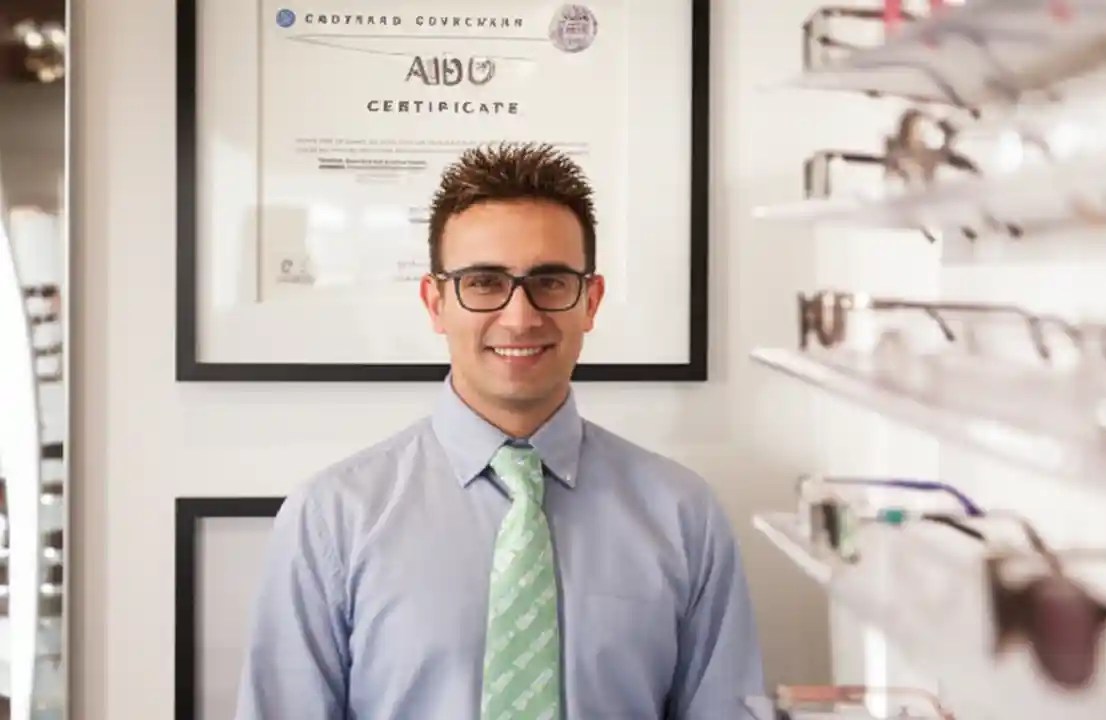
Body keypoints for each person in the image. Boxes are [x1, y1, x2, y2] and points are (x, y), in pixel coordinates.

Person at [234, 141, 766, 719]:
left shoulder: (684, 515)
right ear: (435, 302)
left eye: (552, 281)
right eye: (484, 282)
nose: (520, 316)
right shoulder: (332, 518)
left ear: (591, 300)